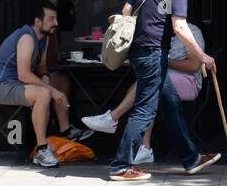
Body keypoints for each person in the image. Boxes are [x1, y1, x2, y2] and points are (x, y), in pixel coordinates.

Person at [101, 0, 219, 182]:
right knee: (145, 110)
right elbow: (180, 27)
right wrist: (202, 56)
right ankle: (120, 165)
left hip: (140, 52)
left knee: (171, 104)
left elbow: (126, 11)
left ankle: (190, 158)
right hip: (154, 53)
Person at [0, 0, 94, 169]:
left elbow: (42, 67)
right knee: (43, 94)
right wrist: (50, 90)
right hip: (2, 87)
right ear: (38, 21)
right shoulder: (27, 37)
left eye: (56, 19)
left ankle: (66, 130)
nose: (56, 23)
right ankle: (41, 150)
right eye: (51, 19)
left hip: (20, 85)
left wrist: (45, 78)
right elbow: (23, 74)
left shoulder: (44, 39)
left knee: (61, 79)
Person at [83, 21, 207, 166]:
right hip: (162, 77)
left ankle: (113, 117)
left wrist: (162, 61)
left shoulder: (192, 31)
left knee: (149, 83)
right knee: (146, 89)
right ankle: (144, 148)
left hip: (187, 81)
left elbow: (193, 65)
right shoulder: (156, 33)